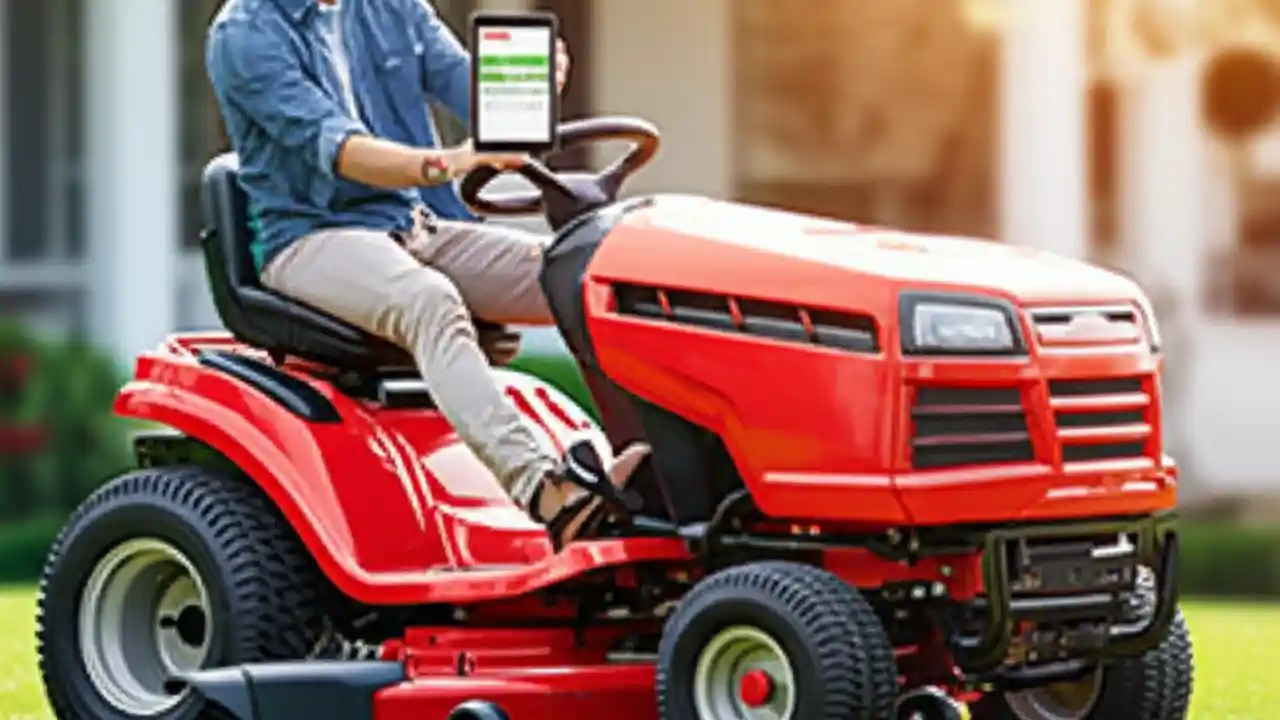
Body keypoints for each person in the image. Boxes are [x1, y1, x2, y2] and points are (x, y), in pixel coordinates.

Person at [206, 0, 646, 547]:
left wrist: (530, 92)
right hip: (310, 238)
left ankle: (656, 466)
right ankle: (549, 491)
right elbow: (342, 150)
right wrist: (450, 163)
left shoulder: (393, 8)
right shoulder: (245, 35)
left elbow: (470, 92)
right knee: (429, 303)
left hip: (413, 224)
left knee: (588, 276)